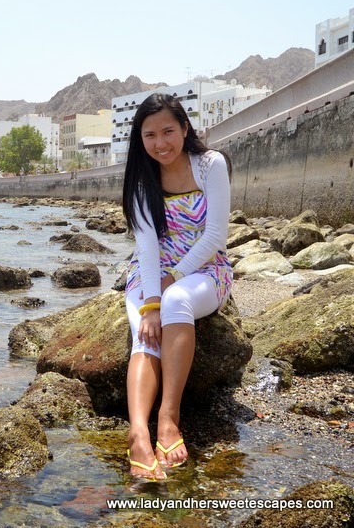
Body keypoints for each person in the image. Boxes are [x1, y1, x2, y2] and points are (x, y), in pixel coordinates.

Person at [121, 93, 233, 480]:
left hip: (204, 269)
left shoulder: (210, 165)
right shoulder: (141, 179)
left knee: (177, 303)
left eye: (168, 131)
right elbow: (147, 248)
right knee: (145, 335)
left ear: (185, 128)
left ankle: (168, 419)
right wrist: (151, 302)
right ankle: (138, 434)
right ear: (141, 139)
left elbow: (216, 235)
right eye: (150, 135)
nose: (160, 143)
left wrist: (172, 283)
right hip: (150, 272)